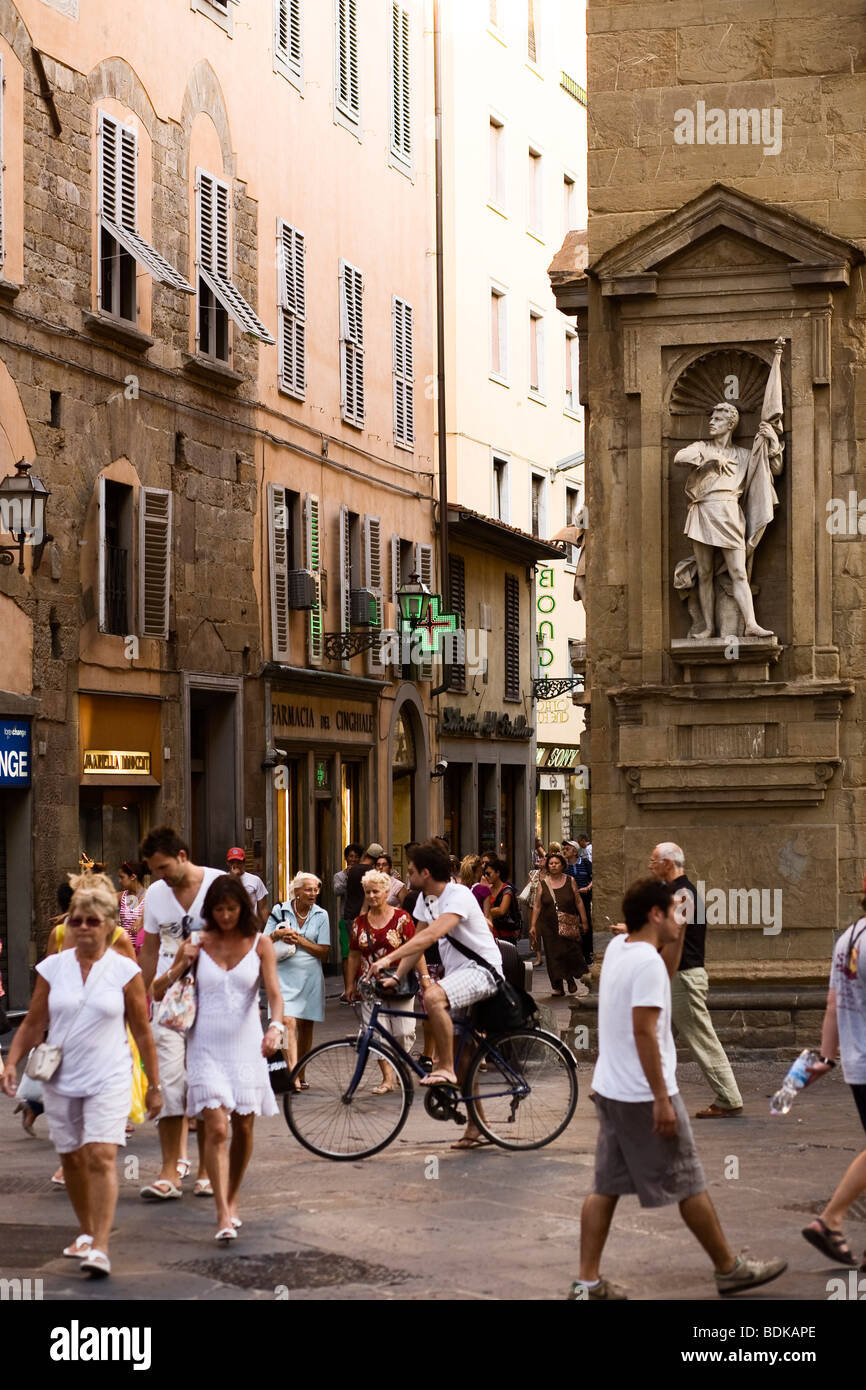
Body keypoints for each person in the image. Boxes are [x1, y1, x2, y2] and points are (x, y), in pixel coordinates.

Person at [569, 876, 787, 1301]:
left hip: (611, 1089)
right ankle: (729, 1269)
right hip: (642, 1093)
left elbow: (665, 973)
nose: (679, 916)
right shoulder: (645, 962)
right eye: (673, 911)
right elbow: (645, 1033)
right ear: (655, 914)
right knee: (689, 1180)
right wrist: (662, 1101)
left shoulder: (620, 949)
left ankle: (586, 1283)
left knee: (605, 1187)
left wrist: (679, 931)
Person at [1, 873, 161, 1277]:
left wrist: (155, 1085)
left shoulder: (124, 971)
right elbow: (34, 1022)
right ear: (68, 924)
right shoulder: (53, 968)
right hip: (62, 1079)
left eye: (92, 921)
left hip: (110, 1075)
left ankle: (101, 1246)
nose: (84, 928)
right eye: (77, 921)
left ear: (108, 924)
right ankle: (87, 1230)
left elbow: (142, 1031)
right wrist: (11, 1062)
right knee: (72, 1159)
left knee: (101, 1155)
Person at [163, 874, 283, 1242]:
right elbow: (156, 990)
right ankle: (222, 1213)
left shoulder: (261, 944)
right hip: (205, 1045)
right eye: (219, 909)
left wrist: (276, 1027)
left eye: (231, 909)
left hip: (247, 1045)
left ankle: (232, 1197)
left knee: (244, 1127)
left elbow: (275, 994)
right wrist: (180, 964)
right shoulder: (196, 943)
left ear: (242, 909)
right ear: (210, 911)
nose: (226, 916)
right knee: (216, 1127)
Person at [368, 841, 503, 1093]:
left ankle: (445, 1067)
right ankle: (471, 1113)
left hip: (483, 970)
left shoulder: (458, 895)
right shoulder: (425, 899)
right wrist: (397, 976)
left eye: (411, 871)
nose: (407, 875)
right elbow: (417, 942)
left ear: (425, 873)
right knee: (463, 1056)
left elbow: (430, 936)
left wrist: (386, 960)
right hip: (458, 975)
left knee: (432, 996)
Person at [138, 826, 223, 1199]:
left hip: (213, 997)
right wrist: (142, 996)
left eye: (164, 867)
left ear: (183, 856)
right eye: (154, 870)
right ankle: (169, 1170)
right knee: (169, 1082)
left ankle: (206, 1169)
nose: (160, 876)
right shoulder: (156, 895)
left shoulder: (219, 884)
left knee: (204, 1083)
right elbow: (149, 949)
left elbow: (244, 939)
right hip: (169, 997)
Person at [649, 842, 743, 1118]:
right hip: (679, 976)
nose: (651, 866)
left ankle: (729, 1097)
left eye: (654, 861)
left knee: (701, 1038)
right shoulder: (681, 892)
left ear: (668, 863)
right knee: (655, 1036)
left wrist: (635, 934)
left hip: (683, 977)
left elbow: (672, 934)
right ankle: (622, 1090)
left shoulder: (681, 894)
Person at [801, 889, 866, 1270]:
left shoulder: (848, 938)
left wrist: (826, 1058)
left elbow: (833, 1002)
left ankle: (831, 1221)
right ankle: (830, 1220)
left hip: (857, 1064)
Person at [346, 870, 424, 1092]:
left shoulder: (402, 918)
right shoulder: (359, 923)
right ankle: (387, 1078)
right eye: (368, 892)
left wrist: (425, 978)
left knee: (403, 1031)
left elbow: (416, 949)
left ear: (387, 892)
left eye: (376, 891)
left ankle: (399, 1064)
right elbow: (353, 954)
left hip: (400, 983)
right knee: (376, 1033)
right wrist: (349, 985)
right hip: (370, 985)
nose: (371, 896)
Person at [265, 873, 330, 1090]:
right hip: (283, 973)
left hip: (310, 976)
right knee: (286, 1021)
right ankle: (290, 1073)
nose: (313, 893)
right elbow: (264, 940)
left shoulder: (321, 915)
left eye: (316, 890)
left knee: (305, 1026)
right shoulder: (279, 910)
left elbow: (324, 952)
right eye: (309, 889)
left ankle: (301, 1073)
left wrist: (299, 940)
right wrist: (279, 934)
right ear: (297, 891)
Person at [530, 851, 588, 996]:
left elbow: (578, 901)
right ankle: (557, 986)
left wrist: (584, 921)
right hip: (549, 926)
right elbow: (537, 906)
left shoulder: (570, 881)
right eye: (551, 863)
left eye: (556, 863)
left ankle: (569, 978)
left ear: (562, 865)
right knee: (553, 955)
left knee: (569, 952)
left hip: (568, 924)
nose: (553, 866)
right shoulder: (542, 884)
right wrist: (533, 925)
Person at [334, 844, 363, 1002]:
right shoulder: (339, 876)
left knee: (362, 954)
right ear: (346, 858)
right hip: (346, 918)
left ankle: (360, 988)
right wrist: (348, 878)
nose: (353, 859)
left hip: (362, 918)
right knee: (347, 954)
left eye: (356, 856)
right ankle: (348, 989)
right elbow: (337, 891)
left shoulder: (365, 874)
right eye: (350, 856)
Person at [226, 848, 269, 927]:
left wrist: (268, 928)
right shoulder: (223, 880)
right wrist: (233, 878)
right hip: (230, 926)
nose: (235, 865)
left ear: (244, 862)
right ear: (228, 863)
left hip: (250, 925)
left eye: (238, 862)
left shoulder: (255, 880)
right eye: (232, 862)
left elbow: (262, 908)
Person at [483, 856, 521, 944]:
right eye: (484, 874)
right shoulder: (487, 889)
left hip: (505, 935)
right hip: (490, 934)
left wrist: (485, 912)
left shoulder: (507, 889)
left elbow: (502, 910)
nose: (486, 876)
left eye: (488, 873)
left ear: (498, 873)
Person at [117, 861, 148, 938]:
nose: (119, 881)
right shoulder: (120, 896)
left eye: (122, 877)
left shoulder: (150, 896)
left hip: (143, 944)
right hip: (125, 944)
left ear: (133, 877)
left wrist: (143, 920)